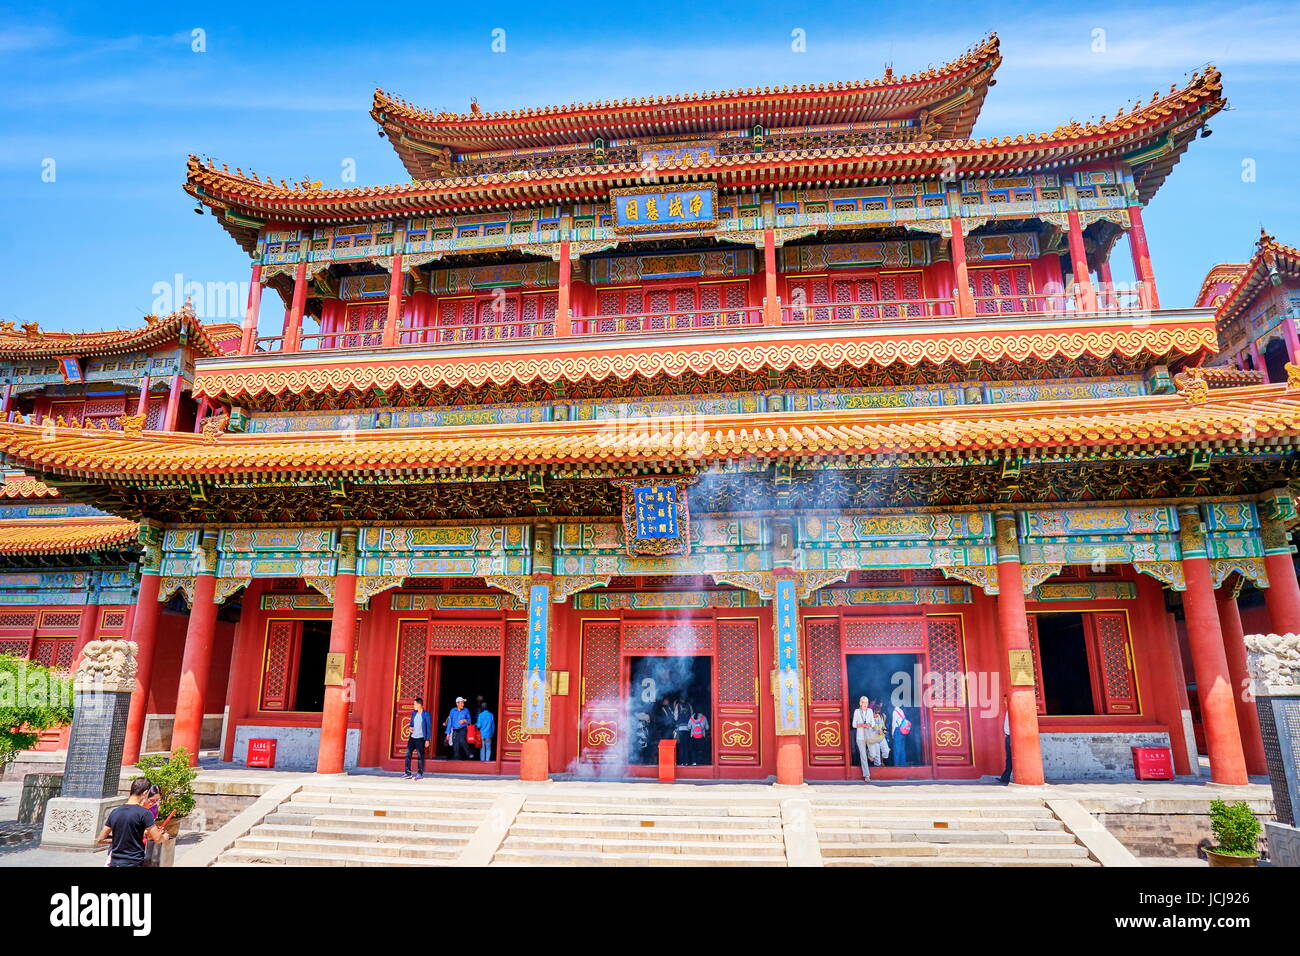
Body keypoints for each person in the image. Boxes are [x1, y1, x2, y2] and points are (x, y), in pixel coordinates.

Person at [96, 777, 169, 868]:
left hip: (115, 862)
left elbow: (100, 839)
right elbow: (157, 839)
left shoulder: (115, 812)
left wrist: (121, 838)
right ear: (145, 793)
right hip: (133, 861)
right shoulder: (144, 813)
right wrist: (164, 837)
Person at [404, 696, 432, 779]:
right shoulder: (414, 713)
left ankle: (420, 773)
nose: (414, 706)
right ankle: (408, 773)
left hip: (420, 738)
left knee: (420, 756)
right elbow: (411, 724)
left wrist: (427, 740)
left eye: (415, 704)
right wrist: (410, 728)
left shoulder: (426, 714)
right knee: (408, 754)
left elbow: (428, 727)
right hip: (412, 738)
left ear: (419, 705)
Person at [851, 696, 874, 781]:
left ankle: (869, 754)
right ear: (860, 703)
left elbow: (873, 723)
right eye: (864, 702)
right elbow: (853, 724)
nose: (865, 704)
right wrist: (862, 725)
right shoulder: (857, 712)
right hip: (860, 737)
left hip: (869, 736)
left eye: (867, 702)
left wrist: (869, 725)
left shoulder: (870, 711)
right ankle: (866, 775)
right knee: (863, 756)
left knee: (873, 754)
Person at [445, 696, 473, 761]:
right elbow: (450, 722)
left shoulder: (466, 710)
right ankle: (456, 759)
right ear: (457, 703)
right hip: (455, 730)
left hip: (463, 729)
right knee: (455, 746)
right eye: (461, 703)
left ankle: (468, 753)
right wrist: (448, 733)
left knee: (462, 740)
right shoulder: (452, 711)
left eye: (463, 703)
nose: (463, 704)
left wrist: (464, 721)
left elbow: (470, 721)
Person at [890, 703, 911, 767]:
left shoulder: (894, 712)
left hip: (897, 731)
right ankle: (903, 765)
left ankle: (896, 766)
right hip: (903, 731)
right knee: (902, 749)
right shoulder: (901, 711)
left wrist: (892, 733)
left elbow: (893, 723)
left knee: (896, 750)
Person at [999, 695, 1013, 785]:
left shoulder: (1012, 711)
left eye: (1006, 701)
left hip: (1012, 737)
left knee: (1011, 758)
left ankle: (1007, 777)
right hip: (1008, 736)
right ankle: (1005, 777)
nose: (1004, 703)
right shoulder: (1008, 711)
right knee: (1009, 758)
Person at [674, 698, 692, 765]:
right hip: (687, 728)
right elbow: (691, 715)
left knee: (681, 746)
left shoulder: (678, 705)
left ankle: (681, 762)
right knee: (686, 746)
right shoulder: (689, 705)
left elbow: (675, 717)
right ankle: (686, 762)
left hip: (680, 728)